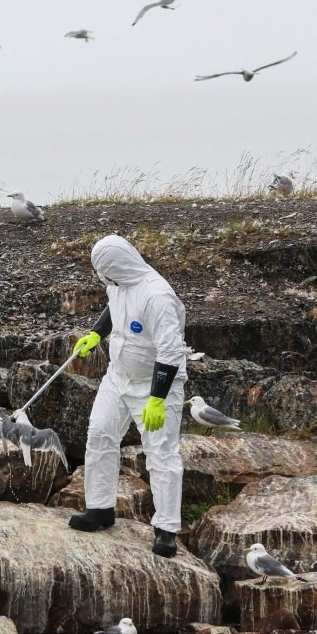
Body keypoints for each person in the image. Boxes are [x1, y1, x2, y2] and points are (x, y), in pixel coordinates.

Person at [67, 235, 186, 558]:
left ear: (118, 265)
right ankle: (101, 509)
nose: (102, 278)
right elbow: (113, 307)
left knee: (161, 453)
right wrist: (95, 333)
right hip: (118, 375)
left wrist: (158, 398)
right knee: (100, 433)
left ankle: (166, 529)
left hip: (155, 382)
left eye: (104, 271)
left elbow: (171, 351)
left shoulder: (156, 296)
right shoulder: (119, 282)